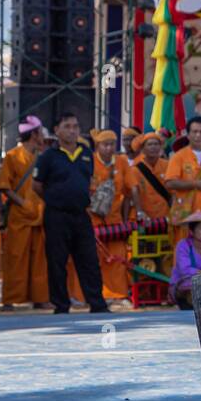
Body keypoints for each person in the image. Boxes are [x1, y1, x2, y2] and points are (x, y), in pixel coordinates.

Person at [32, 111, 109, 314]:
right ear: (56, 130)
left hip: (81, 215)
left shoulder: (86, 154)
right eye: (67, 126)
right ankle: (61, 304)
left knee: (89, 259)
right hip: (56, 215)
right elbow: (37, 185)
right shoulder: (48, 156)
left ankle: (97, 303)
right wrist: (54, 199)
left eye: (75, 126)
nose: (72, 130)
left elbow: (89, 180)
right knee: (57, 261)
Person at [0, 117, 49, 309]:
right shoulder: (12, 156)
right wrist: (23, 204)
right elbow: (4, 186)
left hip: (40, 214)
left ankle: (40, 298)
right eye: (41, 133)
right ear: (34, 134)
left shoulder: (44, 156)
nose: (43, 137)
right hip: (19, 216)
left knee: (40, 260)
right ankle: (11, 298)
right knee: (16, 258)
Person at [79, 129, 133, 303]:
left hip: (115, 220)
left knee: (118, 257)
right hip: (92, 220)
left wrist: (127, 219)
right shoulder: (89, 161)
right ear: (98, 146)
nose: (109, 148)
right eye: (105, 144)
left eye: (112, 144)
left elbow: (130, 191)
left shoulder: (122, 162)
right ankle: (93, 295)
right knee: (93, 258)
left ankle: (118, 294)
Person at [127, 131, 172, 225]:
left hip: (165, 216)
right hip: (144, 218)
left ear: (160, 147)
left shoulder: (168, 165)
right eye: (150, 144)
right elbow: (134, 192)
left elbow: (173, 191)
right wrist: (139, 212)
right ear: (143, 148)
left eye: (156, 144)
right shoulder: (135, 169)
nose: (153, 147)